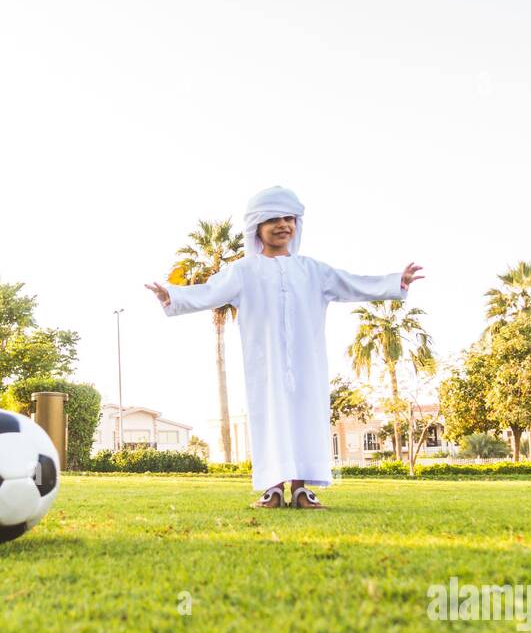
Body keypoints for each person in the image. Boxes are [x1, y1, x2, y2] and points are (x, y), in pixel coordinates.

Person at [146, 186, 422, 509]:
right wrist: (174, 297)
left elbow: (352, 283)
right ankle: (273, 489)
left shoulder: (313, 270)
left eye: (289, 218)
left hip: (308, 362)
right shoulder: (243, 271)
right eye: (273, 219)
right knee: (271, 418)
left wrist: (394, 284)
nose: (283, 225)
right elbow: (209, 292)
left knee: (305, 418)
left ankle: (302, 489)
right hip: (265, 364)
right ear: (257, 228)